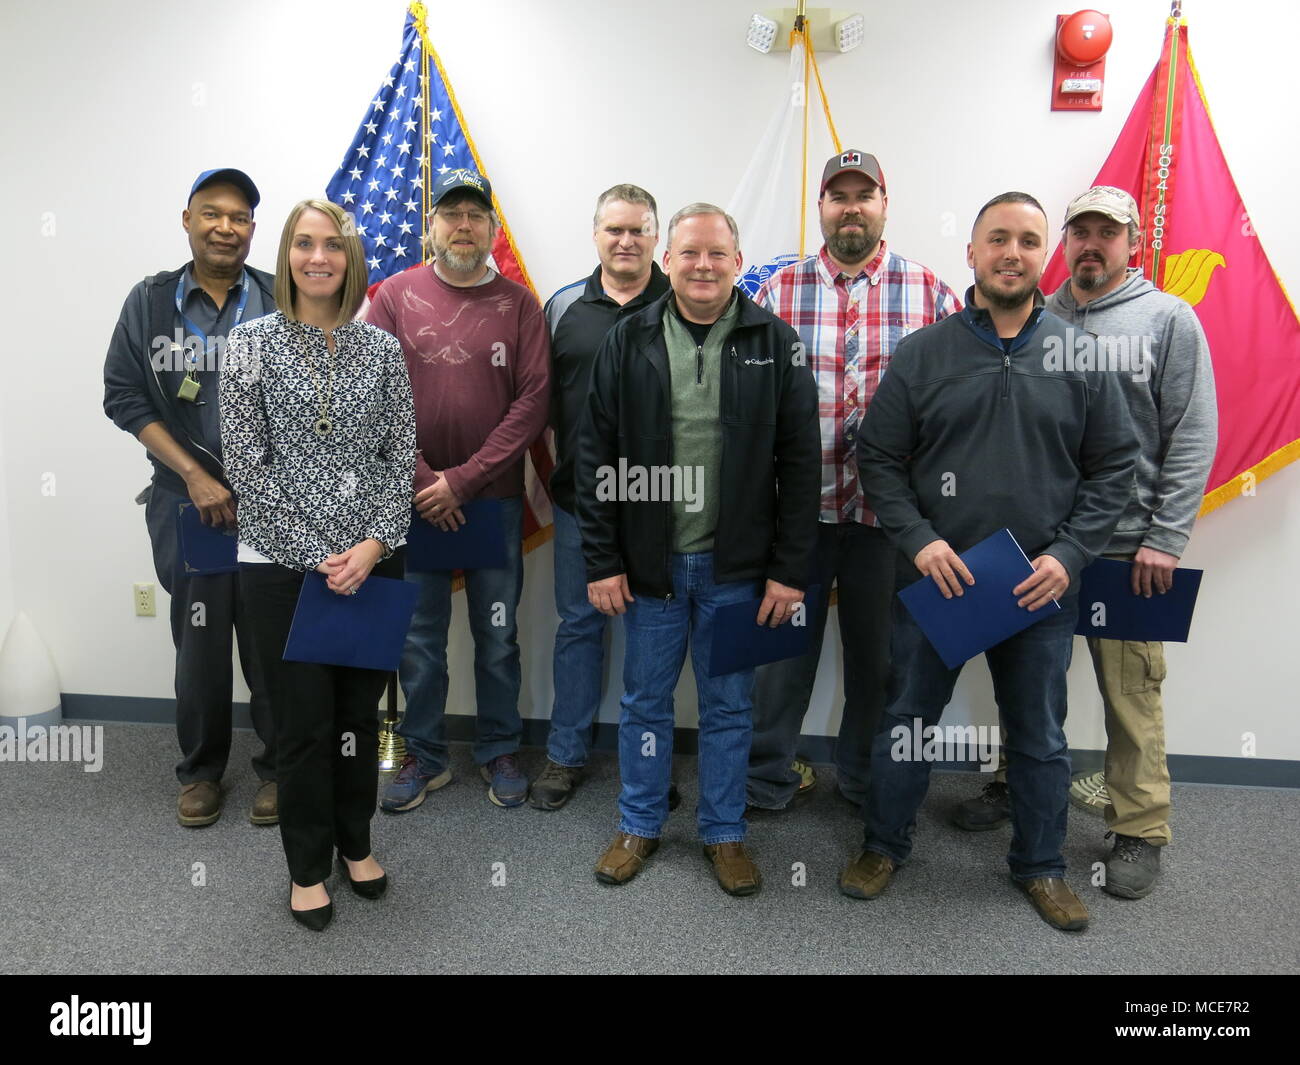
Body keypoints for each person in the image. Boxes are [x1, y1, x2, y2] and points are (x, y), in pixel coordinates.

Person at [843, 192, 1138, 931]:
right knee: (907, 720)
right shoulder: (925, 352)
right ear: (970, 254)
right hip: (942, 578)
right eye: (997, 239)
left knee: (1038, 735)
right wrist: (918, 538)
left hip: (1040, 585)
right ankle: (883, 844)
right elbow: (876, 455)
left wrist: (1070, 555)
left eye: (1029, 240)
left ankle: (1040, 865)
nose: (1013, 252)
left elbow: (1114, 469)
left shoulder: (1081, 355)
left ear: (1048, 255)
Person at [951, 187, 1217, 900]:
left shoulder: (1168, 319)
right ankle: (1015, 783)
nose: (1092, 244)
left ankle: (1140, 827)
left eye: (1109, 232)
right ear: (1064, 241)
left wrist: (1166, 535)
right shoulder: (1040, 312)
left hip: (1129, 548)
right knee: (1028, 679)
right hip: (1038, 544)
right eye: (1081, 232)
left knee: (1131, 692)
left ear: (1134, 243)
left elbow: (1192, 433)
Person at [579, 203, 819, 895]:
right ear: (668, 260)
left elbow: (802, 465)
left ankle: (724, 831)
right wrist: (602, 558)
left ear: (737, 262)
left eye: (717, 253)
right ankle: (640, 823)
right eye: (689, 254)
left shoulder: (775, 341)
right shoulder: (629, 340)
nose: (703, 265)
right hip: (651, 567)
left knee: (729, 707)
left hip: (739, 571)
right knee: (645, 704)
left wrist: (787, 570)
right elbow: (595, 455)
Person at [221, 199, 416, 930]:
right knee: (302, 724)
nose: (318, 257)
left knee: (356, 718)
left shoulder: (384, 350)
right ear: (286, 254)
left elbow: (400, 457)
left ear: (351, 256)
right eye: (303, 243)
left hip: (372, 563)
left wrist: (369, 547)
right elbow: (248, 466)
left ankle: (356, 844)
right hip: (281, 567)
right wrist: (316, 558)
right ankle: (307, 867)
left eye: (332, 244)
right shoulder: (249, 345)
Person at [747, 150, 961, 815]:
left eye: (863, 195)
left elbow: (956, 403)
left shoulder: (930, 293)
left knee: (880, 662)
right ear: (821, 208)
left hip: (887, 522)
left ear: (884, 204)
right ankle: (765, 779)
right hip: (797, 517)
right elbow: (748, 402)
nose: (851, 207)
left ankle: (866, 782)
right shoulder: (777, 293)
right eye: (837, 196)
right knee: (780, 659)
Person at [369, 169, 550, 811]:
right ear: (431, 226)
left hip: (493, 501)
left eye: (476, 215)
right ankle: (424, 754)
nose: (464, 225)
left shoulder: (520, 305)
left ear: (492, 229)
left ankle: (500, 746)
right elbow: (374, 394)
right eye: (452, 214)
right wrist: (427, 483)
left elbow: (533, 401)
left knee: (497, 633)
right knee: (419, 638)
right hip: (414, 501)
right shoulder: (393, 295)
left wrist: (464, 481)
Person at [103, 168, 278, 828]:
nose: (226, 226)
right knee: (200, 643)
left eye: (239, 217)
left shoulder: (277, 298)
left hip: (268, 510)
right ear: (188, 220)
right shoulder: (149, 303)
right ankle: (201, 771)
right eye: (213, 213)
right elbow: (124, 395)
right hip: (189, 504)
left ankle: (280, 769)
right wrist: (196, 474)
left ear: (252, 230)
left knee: (270, 642)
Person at [530, 183, 671, 810]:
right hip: (581, 504)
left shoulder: (686, 301)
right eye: (614, 229)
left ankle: (651, 765)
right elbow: (535, 404)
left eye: (638, 230)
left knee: (653, 634)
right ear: (595, 235)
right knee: (579, 626)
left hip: (661, 505)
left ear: (655, 237)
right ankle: (564, 755)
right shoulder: (562, 308)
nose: (626, 240)